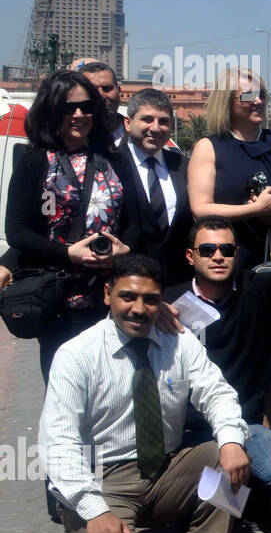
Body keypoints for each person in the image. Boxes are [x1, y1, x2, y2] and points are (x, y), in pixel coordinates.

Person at [39, 255, 250, 533]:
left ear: (161, 302)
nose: (139, 309)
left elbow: (217, 392)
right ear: (107, 294)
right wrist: (96, 511)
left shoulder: (179, 343)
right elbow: (58, 444)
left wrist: (230, 441)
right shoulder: (76, 355)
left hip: (166, 469)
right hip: (103, 478)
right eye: (128, 297)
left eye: (151, 299)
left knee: (231, 456)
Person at [164, 217, 271, 506]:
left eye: (227, 250)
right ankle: (224, 504)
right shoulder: (169, 301)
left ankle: (237, 498)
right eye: (207, 250)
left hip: (245, 425)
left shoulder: (258, 289)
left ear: (237, 253)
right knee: (195, 489)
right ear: (190, 255)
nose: (218, 256)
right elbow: (120, 316)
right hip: (189, 430)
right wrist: (153, 310)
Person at [5, 69, 136, 380]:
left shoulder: (113, 159)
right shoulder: (35, 160)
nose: (79, 114)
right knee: (66, 398)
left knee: (111, 393)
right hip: (58, 301)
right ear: (52, 111)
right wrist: (67, 254)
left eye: (87, 106)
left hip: (109, 300)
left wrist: (123, 248)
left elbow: (135, 222)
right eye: (69, 107)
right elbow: (17, 230)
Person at [187, 67, 271, 266]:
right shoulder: (208, 148)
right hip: (228, 259)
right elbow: (200, 210)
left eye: (261, 95)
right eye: (248, 96)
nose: (258, 101)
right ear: (227, 102)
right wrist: (256, 209)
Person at [119, 89, 192, 284]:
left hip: (178, 283)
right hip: (129, 285)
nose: (156, 128)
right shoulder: (109, 165)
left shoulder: (183, 165)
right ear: (128, 123)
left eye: (163, 121)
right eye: (147, 119)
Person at [72, 60, 125, 144]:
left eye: (106, 88)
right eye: (93, 90)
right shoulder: (71, 137)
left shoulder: (135, 133)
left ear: (118, 90)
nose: (101, 95)